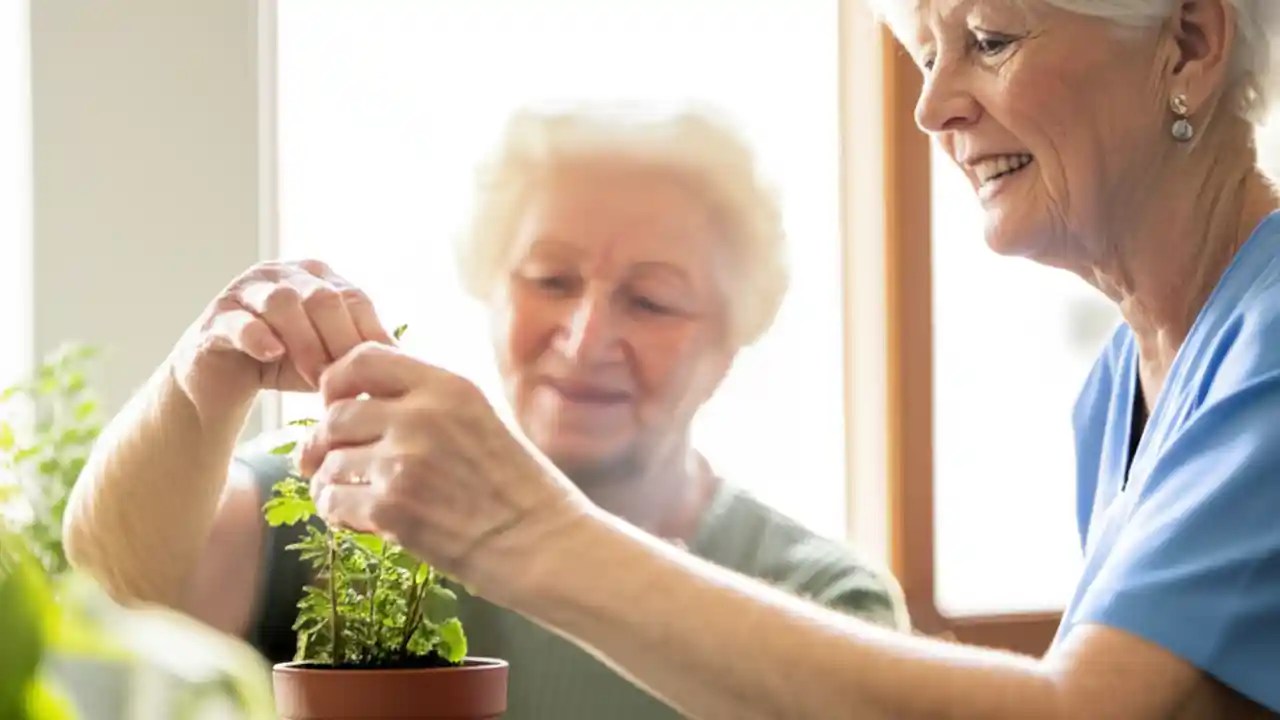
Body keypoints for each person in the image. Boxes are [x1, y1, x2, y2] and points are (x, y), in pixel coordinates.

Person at [79, 0, 1280, 716]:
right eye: (923, 51)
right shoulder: (1119, 392)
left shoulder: (1264, 344)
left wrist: (519, 532)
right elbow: (114, 599)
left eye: (988, 37)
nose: (930, 108)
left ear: (1184, 39)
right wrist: (205, 373)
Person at [62, 107, 908, 719]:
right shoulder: (348, 501)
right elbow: (116, 587)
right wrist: (197, 384)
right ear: (491, 291)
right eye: (550, 280)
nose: (584, 338)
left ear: (733, 341)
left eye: (650, 301)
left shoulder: (817, 593)